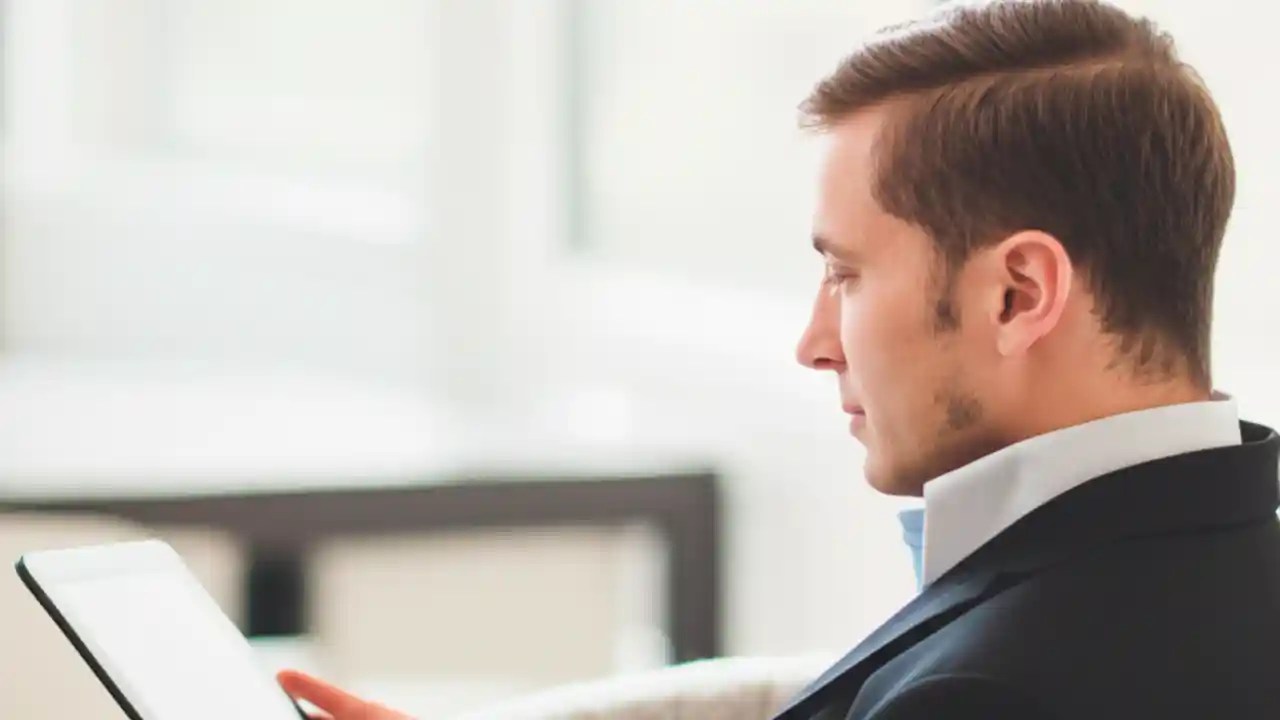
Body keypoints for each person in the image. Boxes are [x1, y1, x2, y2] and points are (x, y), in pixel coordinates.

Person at [278, 1, 1280, 718]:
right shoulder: (1213, 573)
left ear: (1016, 294)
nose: (812, 343)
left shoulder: (985, 690)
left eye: (843, 276)